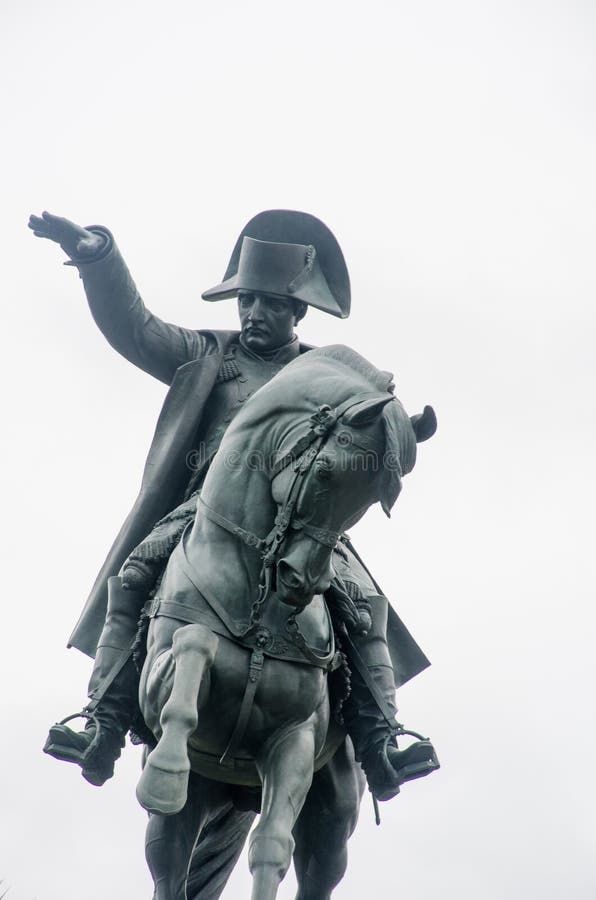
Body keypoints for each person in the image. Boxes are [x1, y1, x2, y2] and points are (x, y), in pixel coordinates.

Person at [29, 208, 439, 801]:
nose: (253, 313)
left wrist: (405, 431)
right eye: (246, 300)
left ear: (297, 312)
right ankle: (103, 720)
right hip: (203, 513)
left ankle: (381, 741)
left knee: (361, 604)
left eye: (270, 303)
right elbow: (136, 328)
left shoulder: (323, 375)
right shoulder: (207, 354)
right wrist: (97, 257)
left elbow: (377, 423)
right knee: (136, 574)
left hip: (300, 525)